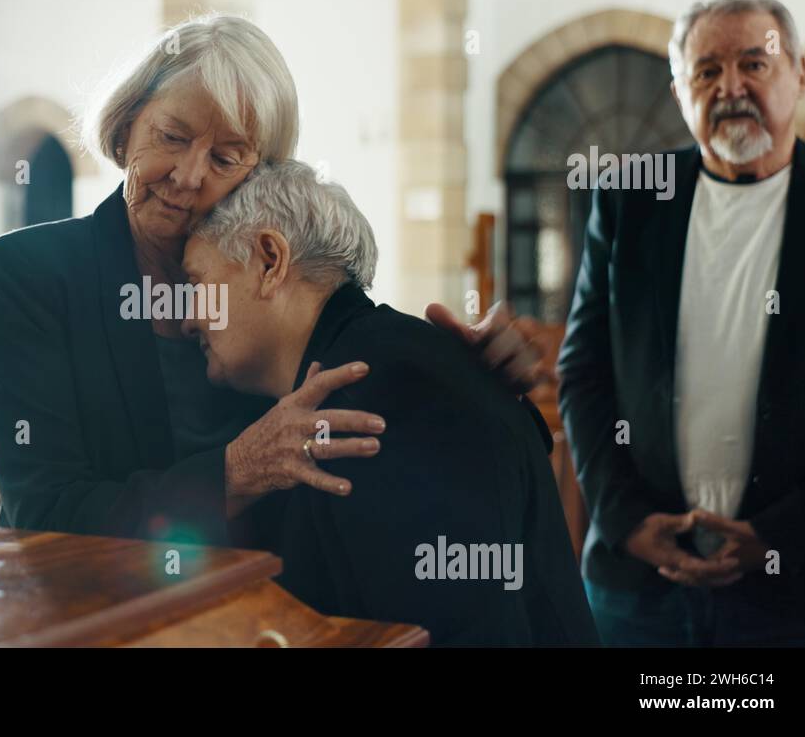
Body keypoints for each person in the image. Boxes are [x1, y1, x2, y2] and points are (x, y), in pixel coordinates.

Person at [0, 14, 546, 547]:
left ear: (260, 177)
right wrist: (235, 472)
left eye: (226, 158)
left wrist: (481, 377)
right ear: (127, 129)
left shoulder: (277, 284)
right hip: (85, 610)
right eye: (173, 137)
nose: (188, 176)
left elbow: (369, 372)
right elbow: (44, 514)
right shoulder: (33, 272)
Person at [179, 160, 598, 646]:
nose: (188, 319)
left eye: (196, 284)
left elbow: (450, 633)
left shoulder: (389, 395)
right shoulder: (375, 363)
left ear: (269, 260)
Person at [558, 0, 805, 646]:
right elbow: (583, 372)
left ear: (799, 74)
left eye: (754, 64)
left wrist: (780, 535)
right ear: (679, 91)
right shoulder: (630, 197)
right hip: (639, 584)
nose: (730, 87)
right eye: (706, 71)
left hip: (796, 586)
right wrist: (626, 520)